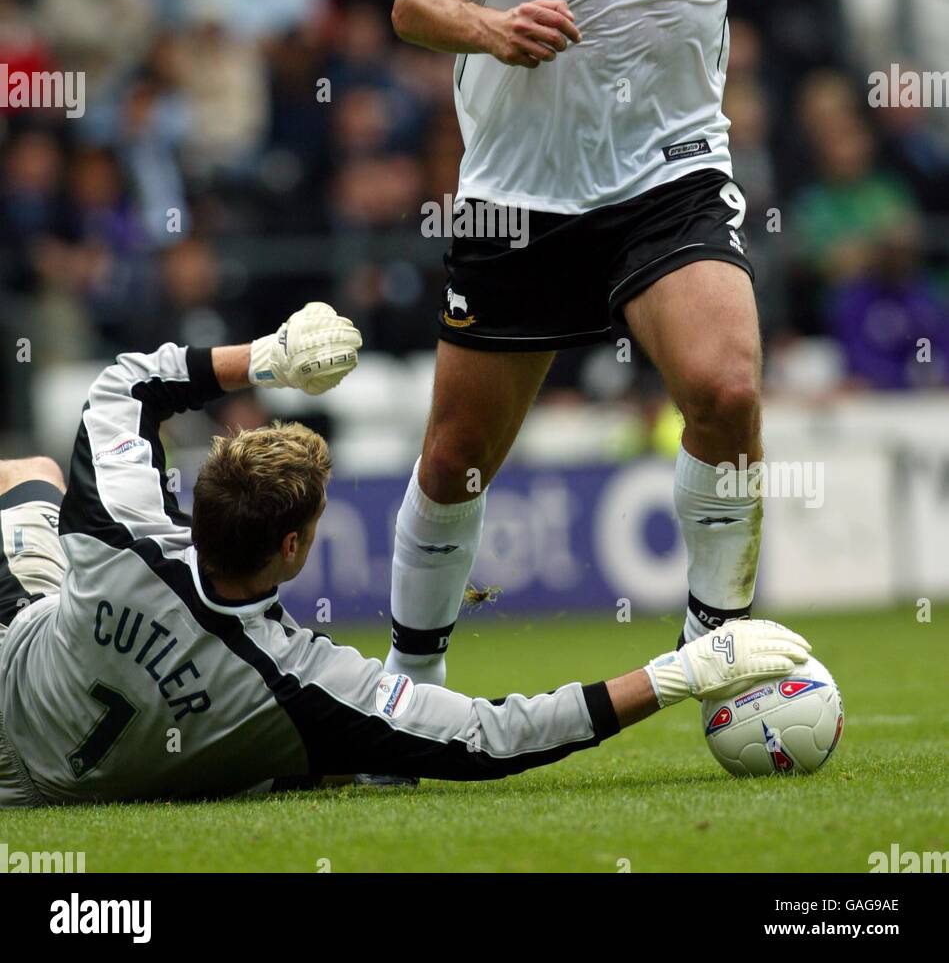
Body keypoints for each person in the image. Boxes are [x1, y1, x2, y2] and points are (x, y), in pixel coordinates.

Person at [385, 0, 875, 701]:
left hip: (670, 173)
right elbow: (415, 1)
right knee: (456, 458)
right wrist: (488, 26)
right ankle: (407, 684)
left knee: (729, 389)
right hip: (522, 193)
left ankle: (720, 651)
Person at [0, 302, 810, 805]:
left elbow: (122, 389)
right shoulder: (300, 684)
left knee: (28, 472)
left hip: (13, 693)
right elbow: (495, 738)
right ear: (292, 547)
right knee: (328, 756)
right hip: (129, 770)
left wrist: (268, 357)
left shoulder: (118, 535)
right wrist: (677, 675)